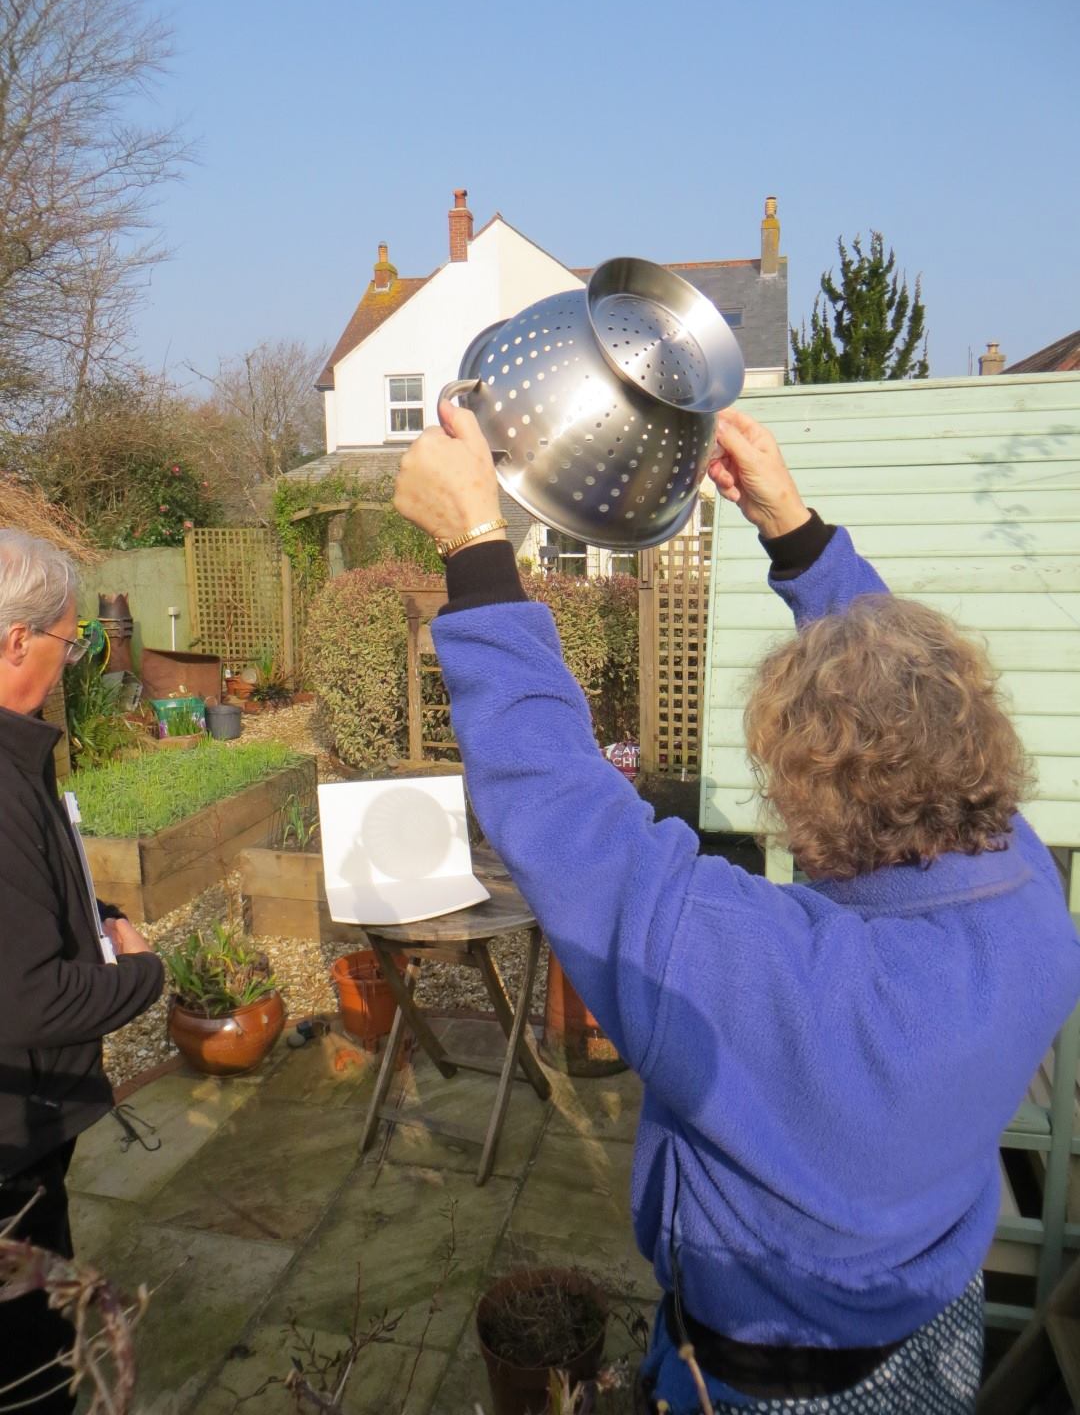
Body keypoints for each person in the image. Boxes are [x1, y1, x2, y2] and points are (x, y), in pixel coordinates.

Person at [394, 404, 1080, 1413]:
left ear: (809, 811)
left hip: (766, 1387)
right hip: (937, 1328)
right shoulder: (1029, 899)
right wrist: (792, 530)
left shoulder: (781, 984)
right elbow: (900, 689)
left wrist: (475, 545)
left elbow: (558, 807)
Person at [0, 529, 164, 1414]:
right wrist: (142, 978)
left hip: (27, 1131)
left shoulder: (17, 752)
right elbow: (22, 999)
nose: (71, 664)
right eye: (68, 643)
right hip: (9, 1146)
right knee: (32, 1373)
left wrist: (90, 918)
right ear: (15, 641)